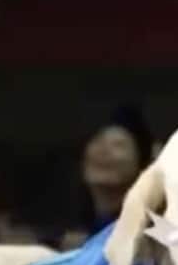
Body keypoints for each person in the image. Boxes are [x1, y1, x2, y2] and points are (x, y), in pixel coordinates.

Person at [60, 105, 156, 250]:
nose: (103, 151)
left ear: (141, 166)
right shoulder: (64, 232)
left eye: (119, 145)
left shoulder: (151, 237)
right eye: (97, 141)